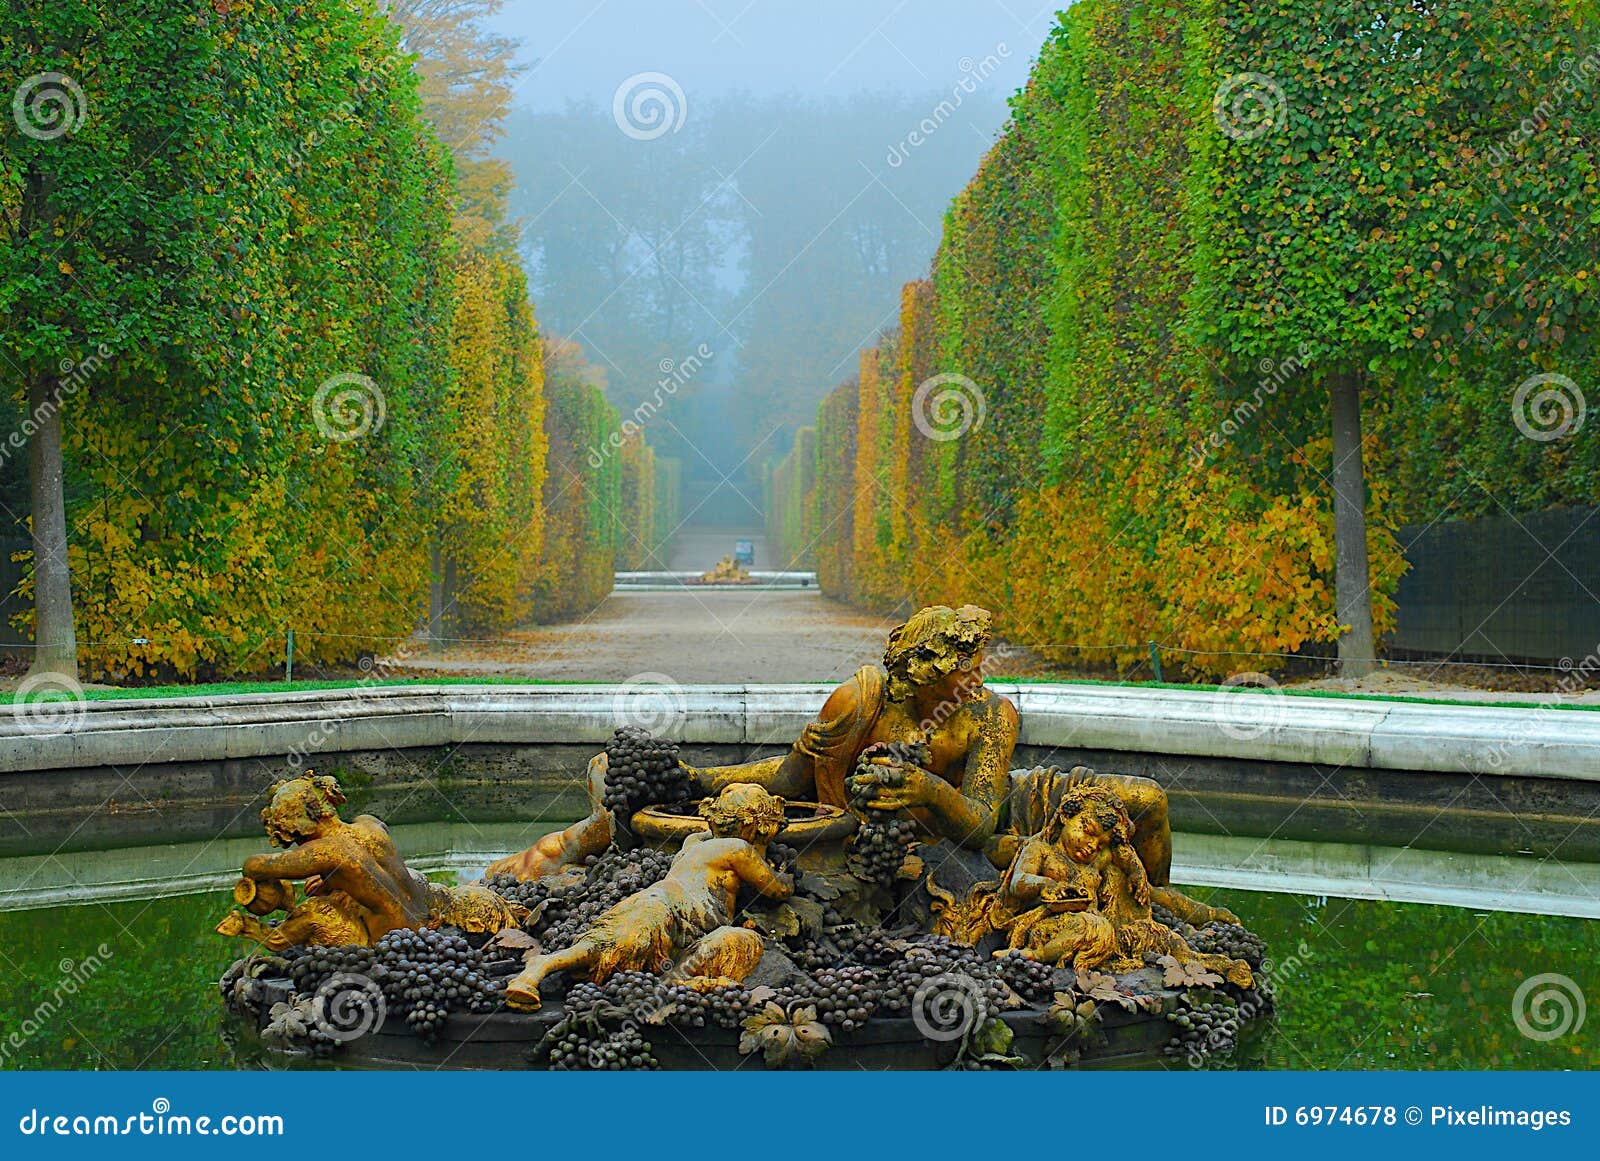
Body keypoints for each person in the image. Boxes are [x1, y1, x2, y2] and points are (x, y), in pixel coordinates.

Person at [488, 605, 1221, 925]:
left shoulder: (991, 714)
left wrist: (924, 785)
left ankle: (1150, 907)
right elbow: (792, 781)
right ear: (924, 666)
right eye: (962, 662)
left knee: (1147, 799)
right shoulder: (865, 699)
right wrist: (699, 783)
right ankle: (1148, 910)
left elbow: (983, 818)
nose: (977, 672)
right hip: (931, 838)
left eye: (978, 659)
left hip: (1009, 805)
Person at [503, 784, 794, 1011]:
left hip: (657, 898)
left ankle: (539, 969)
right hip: (686, 914)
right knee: (739, 942)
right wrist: (781, 870)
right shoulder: (738, 850)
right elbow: (777, 890)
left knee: (610, 943)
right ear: (757, 825)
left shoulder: (694, 841)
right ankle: (673, 986)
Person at [217, 774, 525, 950]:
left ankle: (254, 931)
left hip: (390, 936)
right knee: (409, 877)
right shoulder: (369, 824)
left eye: (292, 837)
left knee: (313, 911)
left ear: (298, 827)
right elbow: (368, 872)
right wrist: (331, 881)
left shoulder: (326, 852)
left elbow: (254, 866)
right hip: (424, 916)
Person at [996, 784, 1252, 986]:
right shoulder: (1041, 849)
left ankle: (1205, 962)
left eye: (1100, 843)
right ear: (1065, 816)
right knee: (1094, 927)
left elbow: (1126, 857)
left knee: (1157, 933)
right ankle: (1033, 955)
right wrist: (1044, 884)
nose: (1091, 846)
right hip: (1050, 926)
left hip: (1099, 926)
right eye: (1088, 831)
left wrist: (1136, 872)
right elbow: (1019, 882)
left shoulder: (1095, 860)